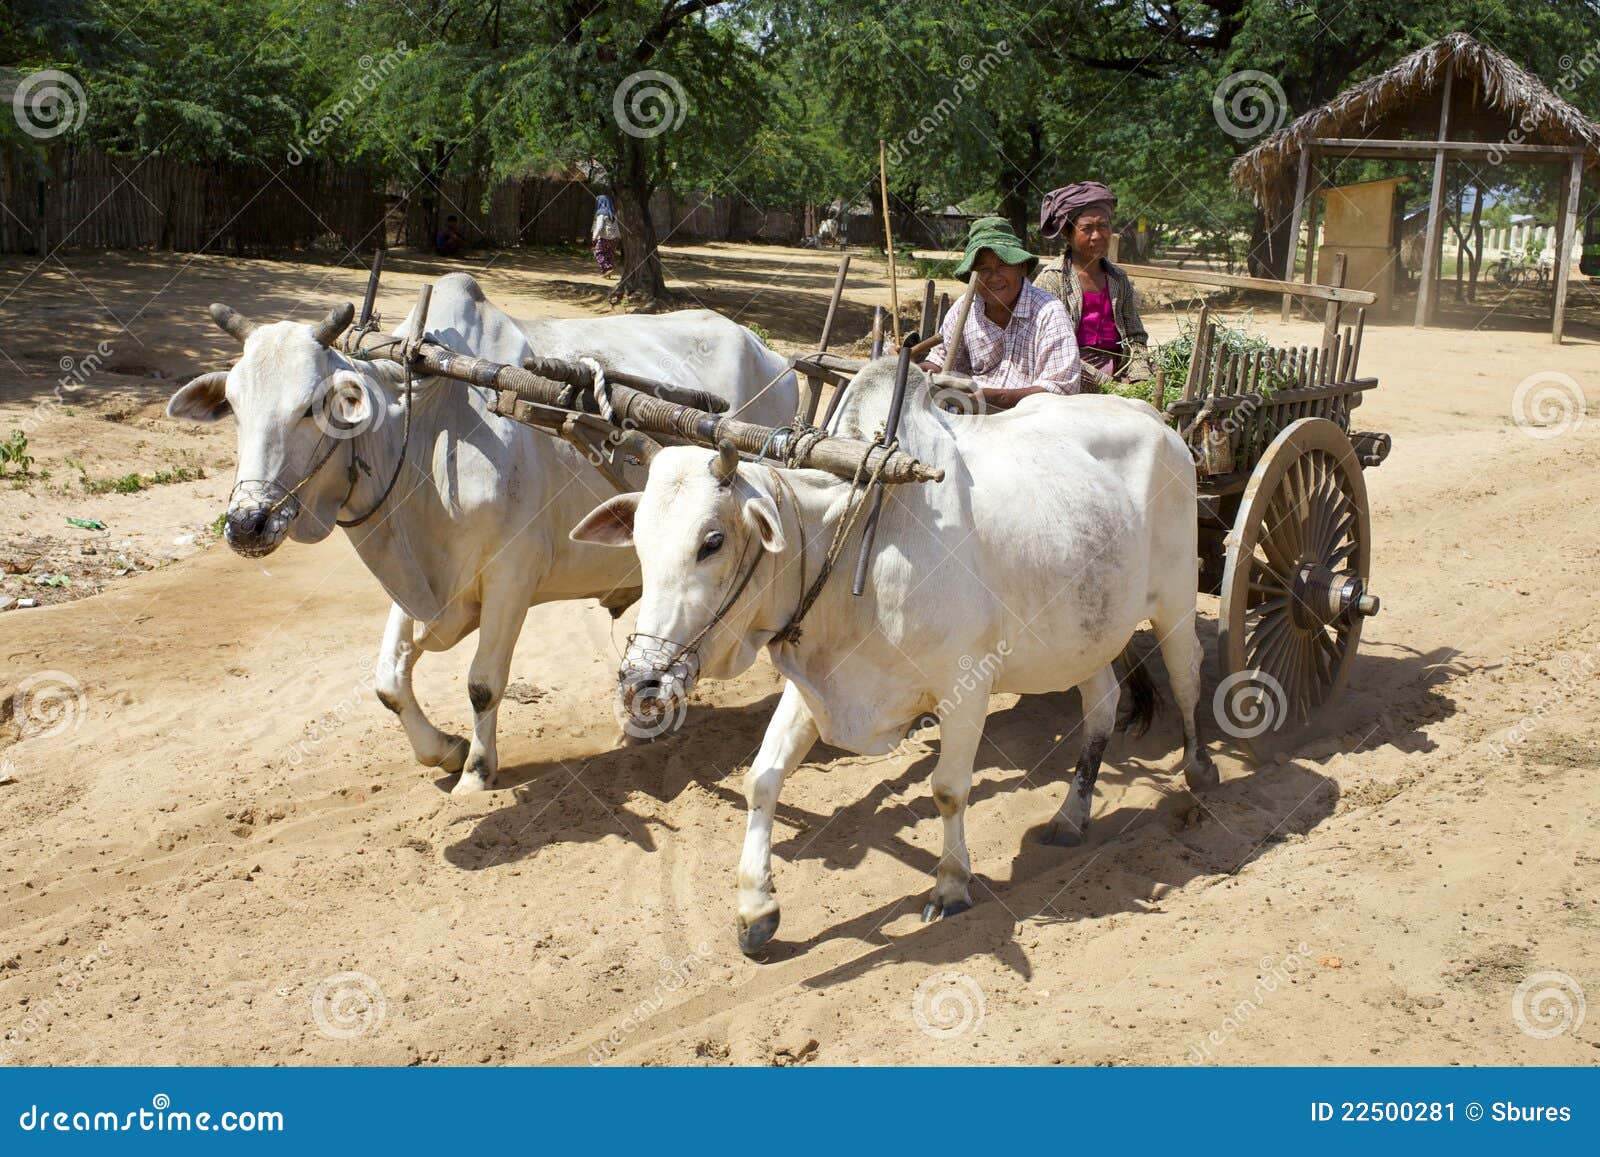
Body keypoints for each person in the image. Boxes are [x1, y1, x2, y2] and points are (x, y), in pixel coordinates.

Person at [922, 216, 1080, 410]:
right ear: (972, 275)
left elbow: (1062, 389)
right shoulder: (964, 308)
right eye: (983, 269)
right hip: (967, 414)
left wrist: (1001, 398)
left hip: (1028, 420)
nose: (994, 277)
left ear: (1021, 267)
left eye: (1003, 266)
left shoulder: (1048, 312)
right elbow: (941, 361)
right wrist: (910, 370)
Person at [1032, 182, 1153, 390]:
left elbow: (1136, 336)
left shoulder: (1118, 278)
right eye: (1087, 229)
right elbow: (1054, 350)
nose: (1097, 236)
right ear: (1067, 234)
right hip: (1070, 376)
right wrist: (1110, 385)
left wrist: (1139, 377)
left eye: (1103, 226)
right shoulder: (1052, 280)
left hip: (1119, 373)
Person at [592, 195, 621, 276]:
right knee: (609, 255)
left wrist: (594, 237)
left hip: (605, 237)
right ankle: (606, 273)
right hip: (614, 238)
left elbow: (599, 226)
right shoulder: (613, 214)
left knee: (598, 253)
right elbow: (617, 227)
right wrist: (618, 237)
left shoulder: (601, 213)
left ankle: (608, 268)